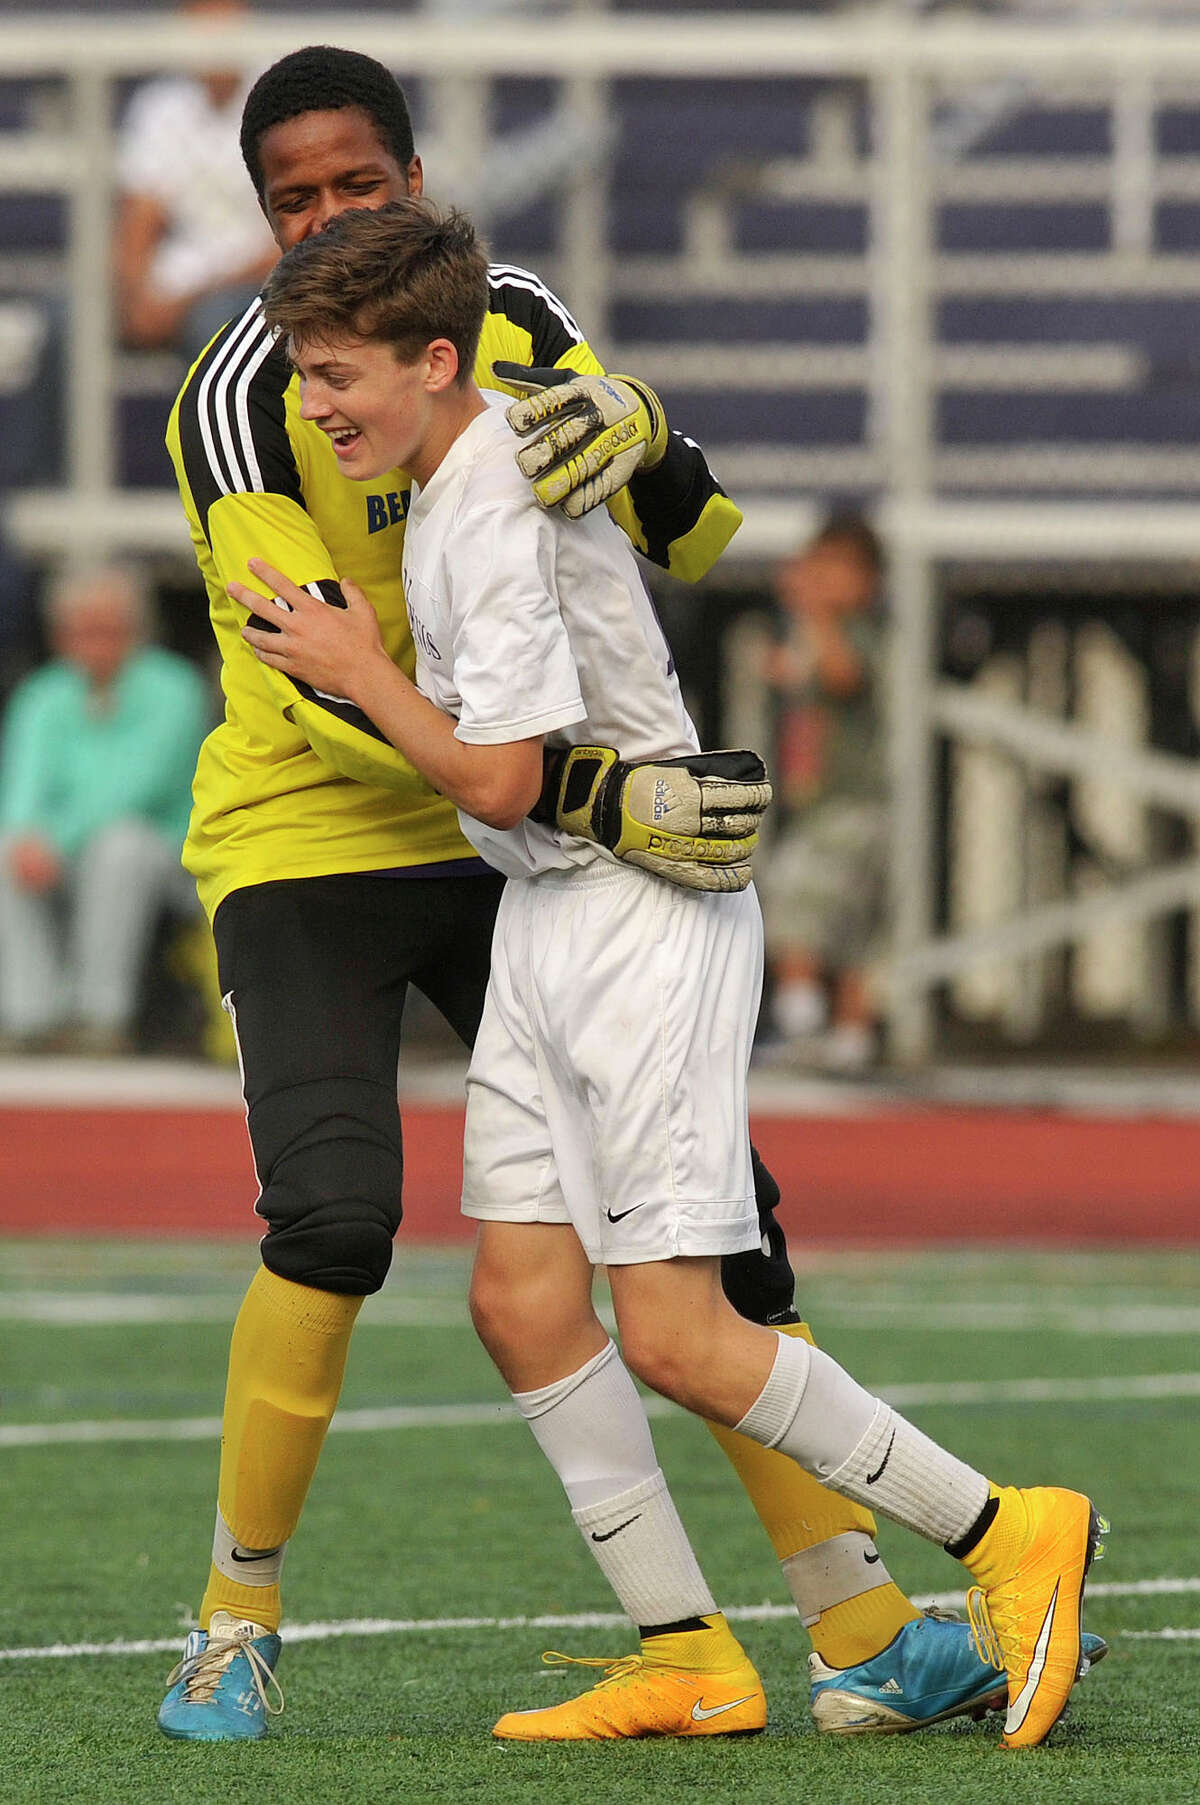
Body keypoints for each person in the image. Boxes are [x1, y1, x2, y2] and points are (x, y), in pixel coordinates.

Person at [153, 45, 1103, 1745]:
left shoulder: (506, 340)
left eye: (358, 185)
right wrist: (583, 788)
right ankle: (239, 1619)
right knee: (389, 1241)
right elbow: (314, 673)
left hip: (546, 849)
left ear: (420, 200)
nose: (328, 220)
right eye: (293, 201)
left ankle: (876, 1610)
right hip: (348, 831)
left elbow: (697, 533)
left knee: (707, 1260)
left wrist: (649, 429)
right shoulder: (248, 397)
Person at [0, 564, 210, 1054]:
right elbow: (22, 787)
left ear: (138, 630)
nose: (95, 643)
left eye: (109, 629)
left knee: (120, 846)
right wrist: (28, 839)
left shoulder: (175, 688)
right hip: (62, 855)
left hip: (164, 852)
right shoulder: (42, 694)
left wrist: (55, 842)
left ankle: (100, 1015)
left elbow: (138, 786)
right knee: (8, 848)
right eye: (81, 630)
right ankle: (31, 1014)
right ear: (60, 636)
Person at [760, 514, 889, 1073]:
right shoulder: (812, 632)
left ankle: (803, 1022)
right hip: (826, 802)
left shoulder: (857, 632)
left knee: (800, 902)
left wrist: (812, 610)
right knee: (846, 924)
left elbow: (843, 675)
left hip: (853, 805)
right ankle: (843, 1036)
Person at [114, 0, 278, 359]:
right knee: (72, 318)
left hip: (250, 284)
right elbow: (139, 220)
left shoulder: (277, 100)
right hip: (171, 281)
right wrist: (136, 295)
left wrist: (186, 301)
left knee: (215, 323)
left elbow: (283, 244)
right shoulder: (160, 105)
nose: (211, 41)